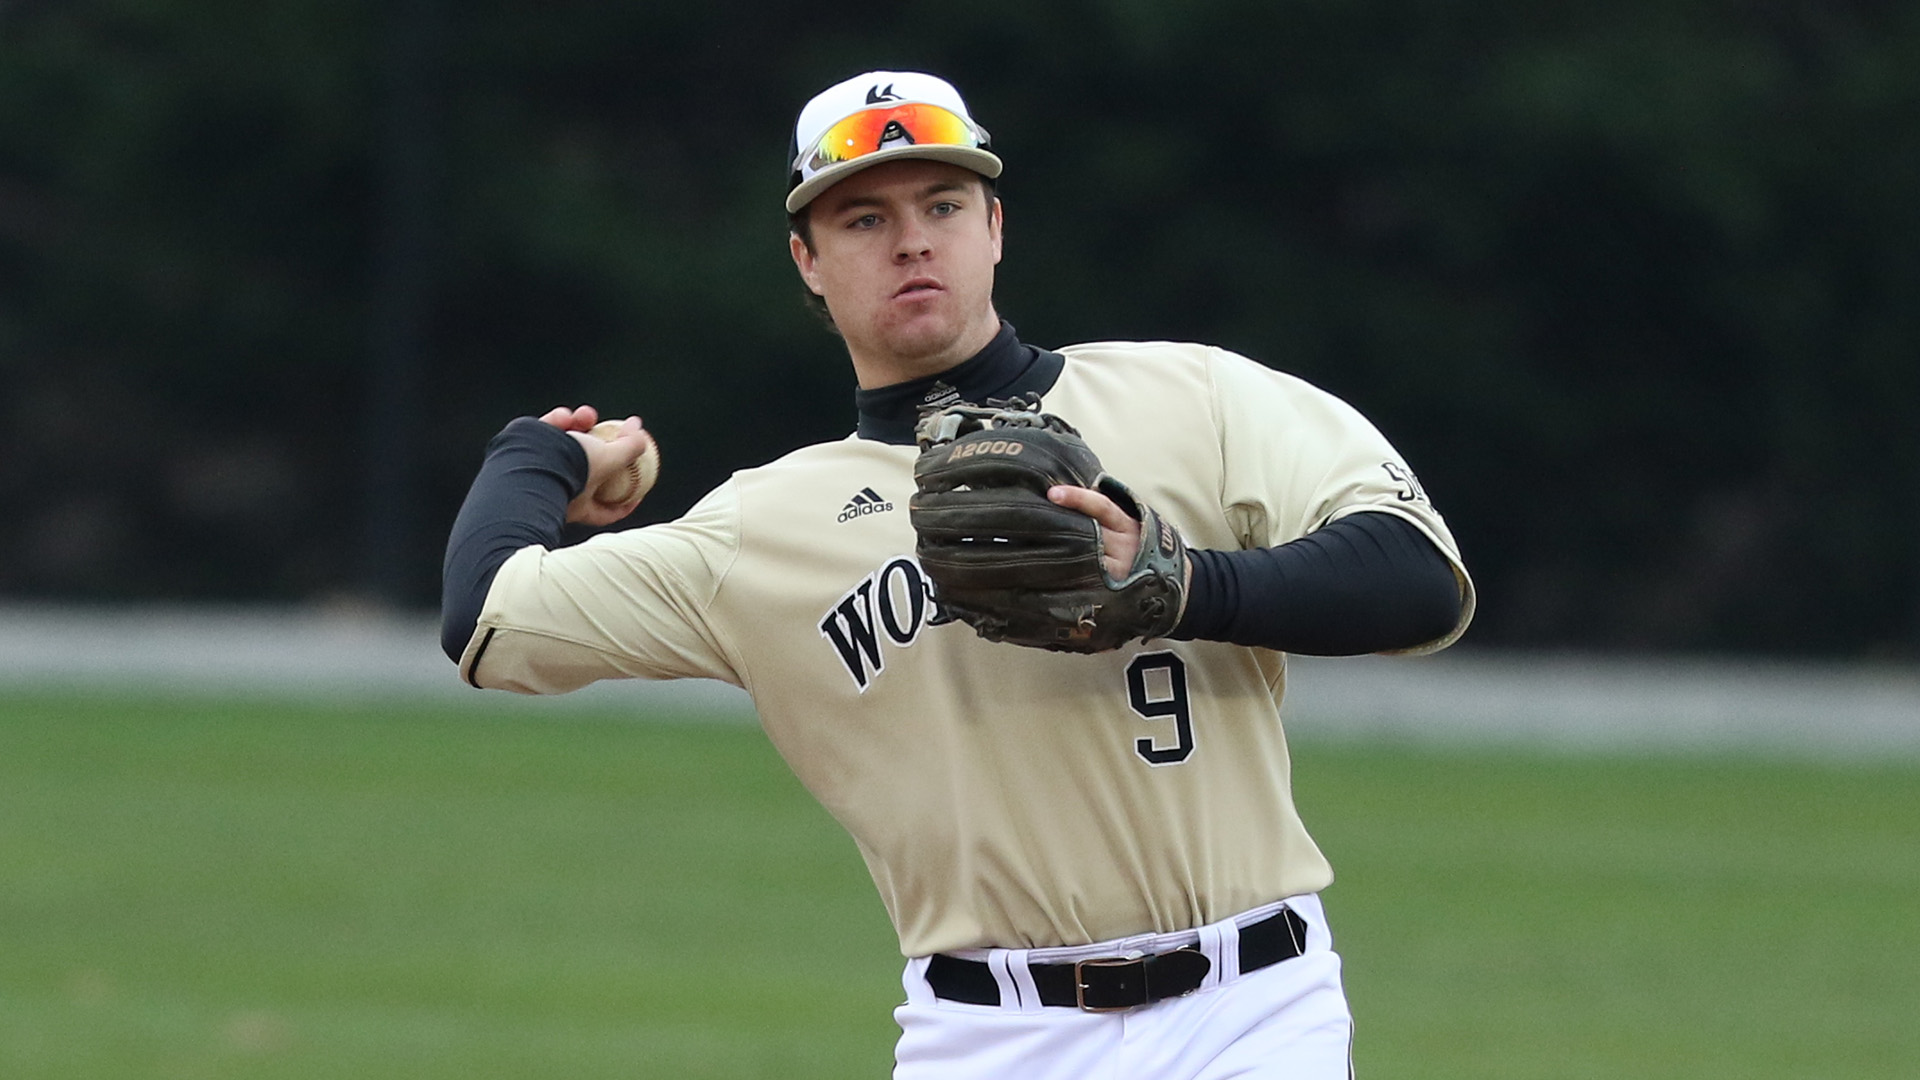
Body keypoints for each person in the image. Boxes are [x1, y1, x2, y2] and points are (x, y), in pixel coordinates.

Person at [442, 70, 1474, 1079]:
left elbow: (1419, 576)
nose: (911, 240)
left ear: (995, 229)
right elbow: (489, 619)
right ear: (807, 259)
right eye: (863, 221)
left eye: (943, 203)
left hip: (1250, 1010)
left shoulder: (1192, 396)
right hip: (987, 1034)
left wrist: (1188, 583)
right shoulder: (761, 530)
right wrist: (540, 455)